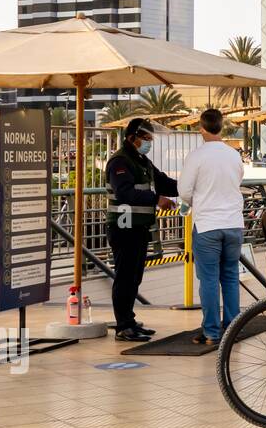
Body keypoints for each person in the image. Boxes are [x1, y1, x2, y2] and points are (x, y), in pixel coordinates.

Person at [105, 118, 177, 341]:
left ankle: (130, 320)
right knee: (125, 277)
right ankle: (123, 326)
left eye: (150, 139)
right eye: (145, 139)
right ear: (131, 138)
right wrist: (157, 199)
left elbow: (163, 182)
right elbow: (125, 193)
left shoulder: (141, 160)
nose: (148, 143)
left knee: (134, 277)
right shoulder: (119, 162)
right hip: (124, 227)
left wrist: (189, 186)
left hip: (138, 228)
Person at [179, 108, 246, 346]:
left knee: (208, 279)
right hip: (234, 224)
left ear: (201, 128)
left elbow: (184, 191)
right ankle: (232, 328)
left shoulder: (196, 156)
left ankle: (211, 332)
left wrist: (193, 200)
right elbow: (238, 180)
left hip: (207, 224)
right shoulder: (234, 155)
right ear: (221, 126)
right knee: (230, 276)